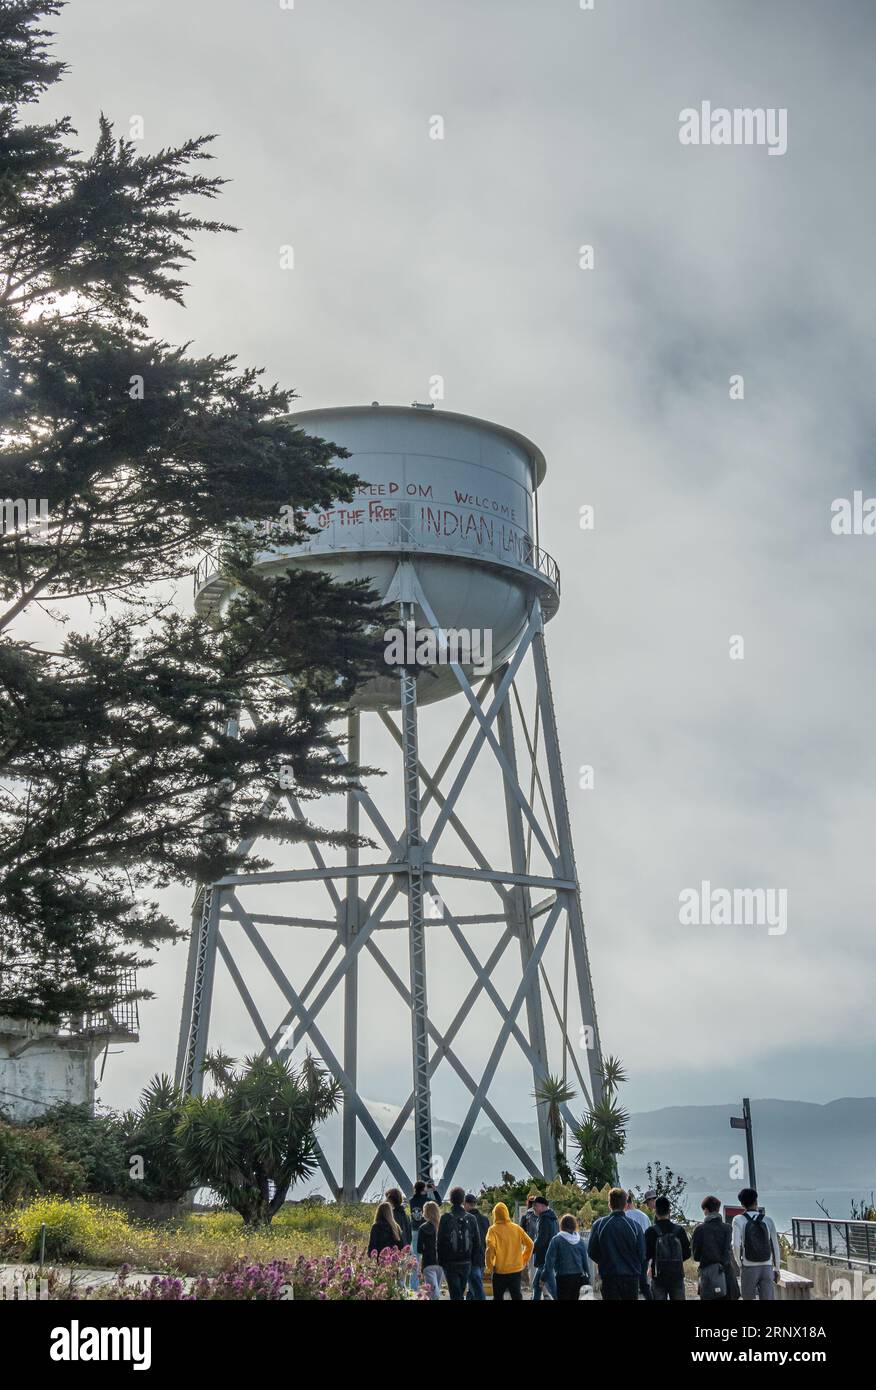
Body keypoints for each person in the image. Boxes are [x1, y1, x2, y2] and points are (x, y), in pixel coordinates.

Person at [587, 1187, 646, 1300]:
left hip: (609, 1277)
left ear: (609, 1204)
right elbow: (642, 1253)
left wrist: (603, 1262)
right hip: (631, 1277)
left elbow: (591, 1252)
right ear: (625, 1205)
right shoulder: (635, 1226)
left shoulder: (599, 1225)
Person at [731, 1188, 781, 1301]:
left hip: (748, 1265)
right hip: (767, 1265)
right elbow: (775, 1245)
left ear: (742, 1204)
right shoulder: (768, 1220)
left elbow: (735, 1245)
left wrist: (740, 1263)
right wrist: (777, 1268)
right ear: (756, 1201)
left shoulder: (738, 1220)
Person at [437, 1186, 482, 1301]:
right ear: (463, 1200)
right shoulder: (471, 1218)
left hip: (450, 1263)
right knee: (460, 1292)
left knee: (455, 1294)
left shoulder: (445, 1218)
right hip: (466, 1262)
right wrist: (473, 1261)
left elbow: (440, 1242)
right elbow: (477, 1242)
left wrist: (442, 1262)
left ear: (451, 1200)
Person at [692, 1195, 740, 1301]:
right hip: (727, 1275)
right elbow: (727, 1251)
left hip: (708, 1277)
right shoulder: (727, 1228)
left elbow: (696, 1256)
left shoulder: (699, 1229)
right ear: (718, 1209)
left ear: (706, 1210)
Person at [644, 1195, 691, 1300]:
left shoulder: (650, 1231)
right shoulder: (679, 1230)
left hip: (658, 1277)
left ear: (655, 1211)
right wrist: (675, 1260)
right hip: (677, 1275)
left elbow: (645, 1255)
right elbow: (687, 1253)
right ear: (670, 1211)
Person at [485, 1202, 534, 1301]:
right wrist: (523, 1259)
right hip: (515, 1270)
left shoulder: (493, 1230)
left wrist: (490, 1266)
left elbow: (490, 1247)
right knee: (516, 1296)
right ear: (507, 1213)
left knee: (498, 1297)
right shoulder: (516, 1228)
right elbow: (530, 1244)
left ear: (495, 1214)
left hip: (499, 1271)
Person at [542, 1214, 591, 1301]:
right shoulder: (579, 1240)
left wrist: (543, 1278)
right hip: (578, 1277)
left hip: (563, 1277)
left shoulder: (556, 1240)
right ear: (574, 1225)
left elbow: (549, 1262)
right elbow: (585, 1260)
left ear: (562, 1225)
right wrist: (588, 1276)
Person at [531, 1194, 559, 1300]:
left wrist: (531, 1249)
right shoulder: (553, 1218)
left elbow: (542, 1239)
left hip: (544, 1258)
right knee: (537, 1285)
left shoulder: (544, 1218)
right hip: (550, 1256)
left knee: (553, 1288)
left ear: (543, 1206)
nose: (534, 1208)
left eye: (535, 1205)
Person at [625, 1190, 652, 1299]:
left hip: (629, 1255)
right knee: (643, 1282)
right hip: (643, 1254)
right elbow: (649, 1234)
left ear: (625, 1203)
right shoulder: (644, 1216)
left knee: (630, 1284)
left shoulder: (625, 1216)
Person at [464, 1194, 490, 1301]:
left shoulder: (465, 1219)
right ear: (474, 1204)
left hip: (470, 1258)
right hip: (482, 1256)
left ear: (465, 1204)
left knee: (476, 1288)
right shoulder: (485, 1219)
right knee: (473, 1287)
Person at [418, 1199, 443, 1299]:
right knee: (435, 1292)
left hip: (428, 1262)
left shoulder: (423, 1228)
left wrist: (427, 1250)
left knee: (433, 1293)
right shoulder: (442, 1226)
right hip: (441, 1263)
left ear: (425, 1212)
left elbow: (419, 1249)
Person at [520, 1194, 540, 1289]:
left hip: (528, 1244)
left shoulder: (525, 1216)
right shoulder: (541, 1214)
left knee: (530, 1266)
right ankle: (538, 1284)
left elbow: (521, 1231)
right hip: (540, 1243)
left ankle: (532, 1285)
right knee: (538, 1265)